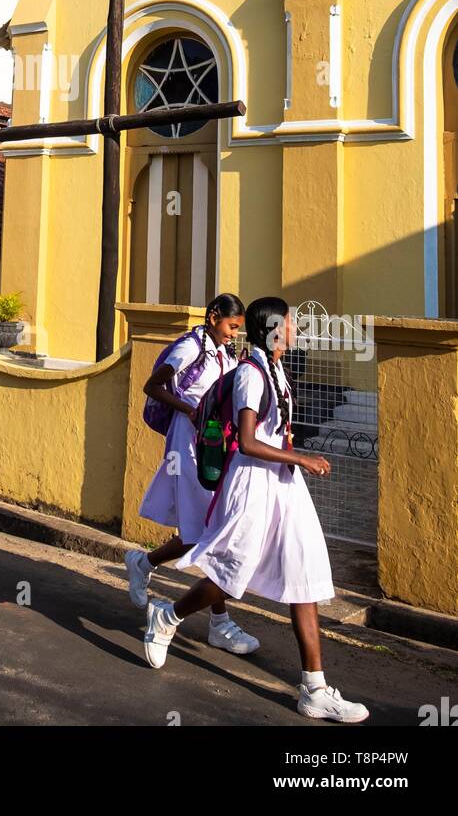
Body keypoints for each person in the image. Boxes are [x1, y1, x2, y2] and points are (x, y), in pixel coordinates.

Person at [143, 296, 369, 724]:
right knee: (234, 572)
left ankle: (315, 688)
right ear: (273, 329)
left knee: (303, 572)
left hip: (283, 484)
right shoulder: (250, 373)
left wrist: (293, 463)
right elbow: (247, 441)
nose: (296, 329)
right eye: (291, 323)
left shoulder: (276, 368)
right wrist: (300, 458)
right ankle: (168, 615)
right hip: (251, 483)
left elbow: (274, 432)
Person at [125, 293, 258, 655]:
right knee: (208, 530)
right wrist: (191, 411)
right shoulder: (190, 347)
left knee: (204, 528)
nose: (234, 334)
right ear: (214, 316)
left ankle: (144, 562)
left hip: (210, 445)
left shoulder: (223, 351)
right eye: (232, 326)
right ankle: (219, 623)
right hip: (187, 443)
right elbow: (152, 385)